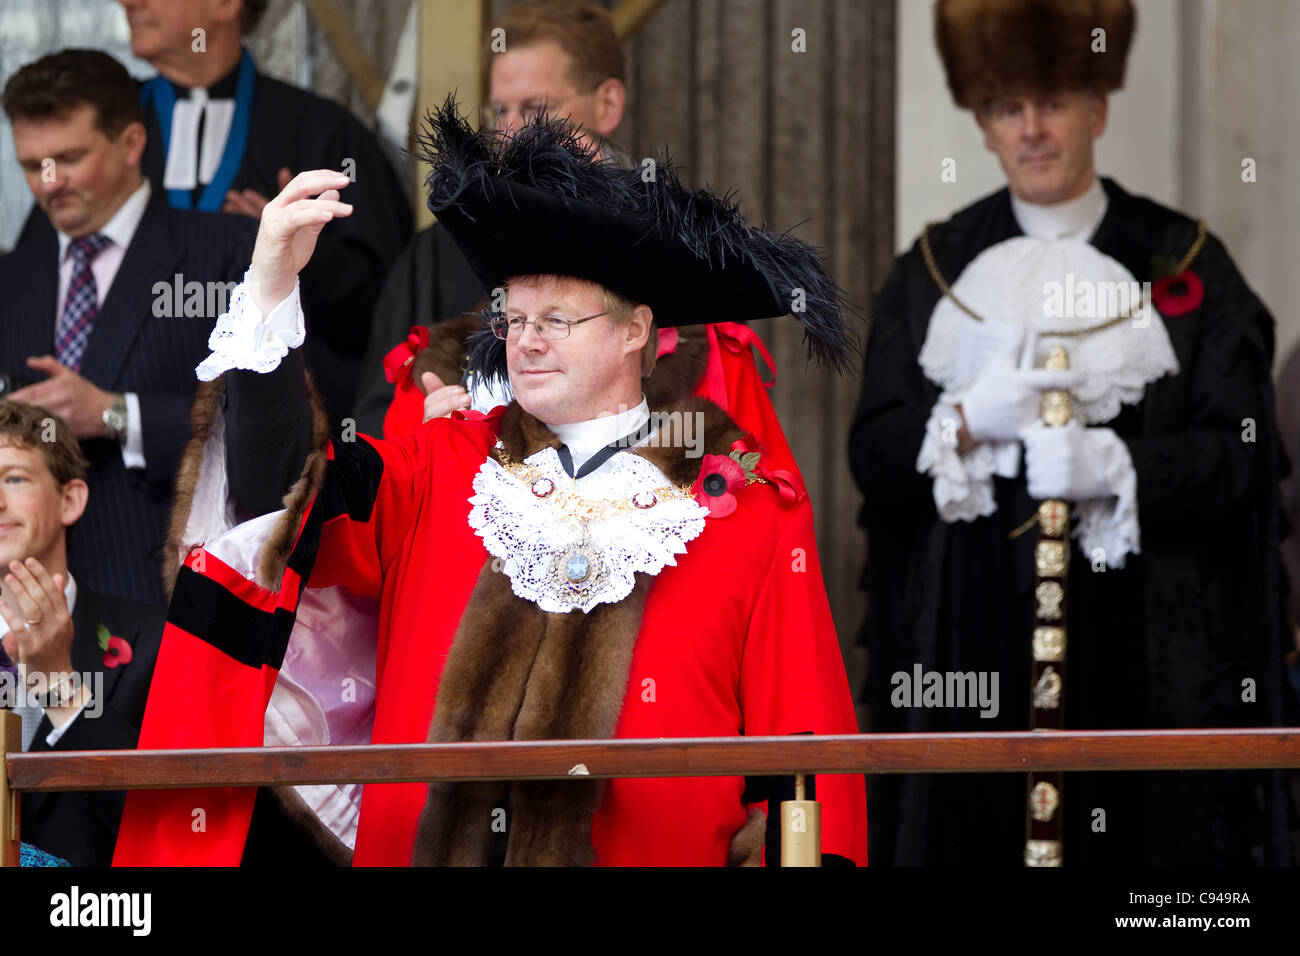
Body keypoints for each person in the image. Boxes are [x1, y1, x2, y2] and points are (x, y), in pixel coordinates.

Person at [113, 99, 866, 867]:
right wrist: (271, 287)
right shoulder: (433, 464)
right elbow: (279, 498)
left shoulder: (749, 511)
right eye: (513, 318)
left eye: (557, 320)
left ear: (636, 330)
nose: (525, 342)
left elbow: (808, 766)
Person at [850, 0, 1293, 866]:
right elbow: (873, 452)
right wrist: (969, 421)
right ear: (981, 126)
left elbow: (1240, 455)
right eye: (1008, 108)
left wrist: (1121, 465)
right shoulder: (934, 268)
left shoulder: (1185, 260)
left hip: (1145, 656)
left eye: (1053, 102)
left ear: (1097, 108)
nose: (1033, 130)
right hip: (969, 647)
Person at [0, 49, 255, 605]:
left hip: (168, 596)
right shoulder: (10, 276)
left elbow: (267, 433)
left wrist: (116, 413)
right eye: (30, 164)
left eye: (69, 157)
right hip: (19, 606)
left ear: (132, 143)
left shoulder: (228, 250)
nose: (49, 183)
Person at [114, 0, 413, 420]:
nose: (129, 2)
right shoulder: (104, 138)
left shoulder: (320, 131)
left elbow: (386, 306)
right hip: (122, 445)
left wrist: (292, 253)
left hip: (276, 439)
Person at [352, 0, 628, 437]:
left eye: (537, 108)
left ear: (608, 105)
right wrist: (425, 438)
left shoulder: (668, 246)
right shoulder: (442, 252)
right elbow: (375, 425)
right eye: (501, 110)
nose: (512, 132)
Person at [0, 401, 162, 866]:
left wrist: (59, 687)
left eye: (14, 478)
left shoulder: (152, 638)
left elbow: (168, 819)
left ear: (70, 500)